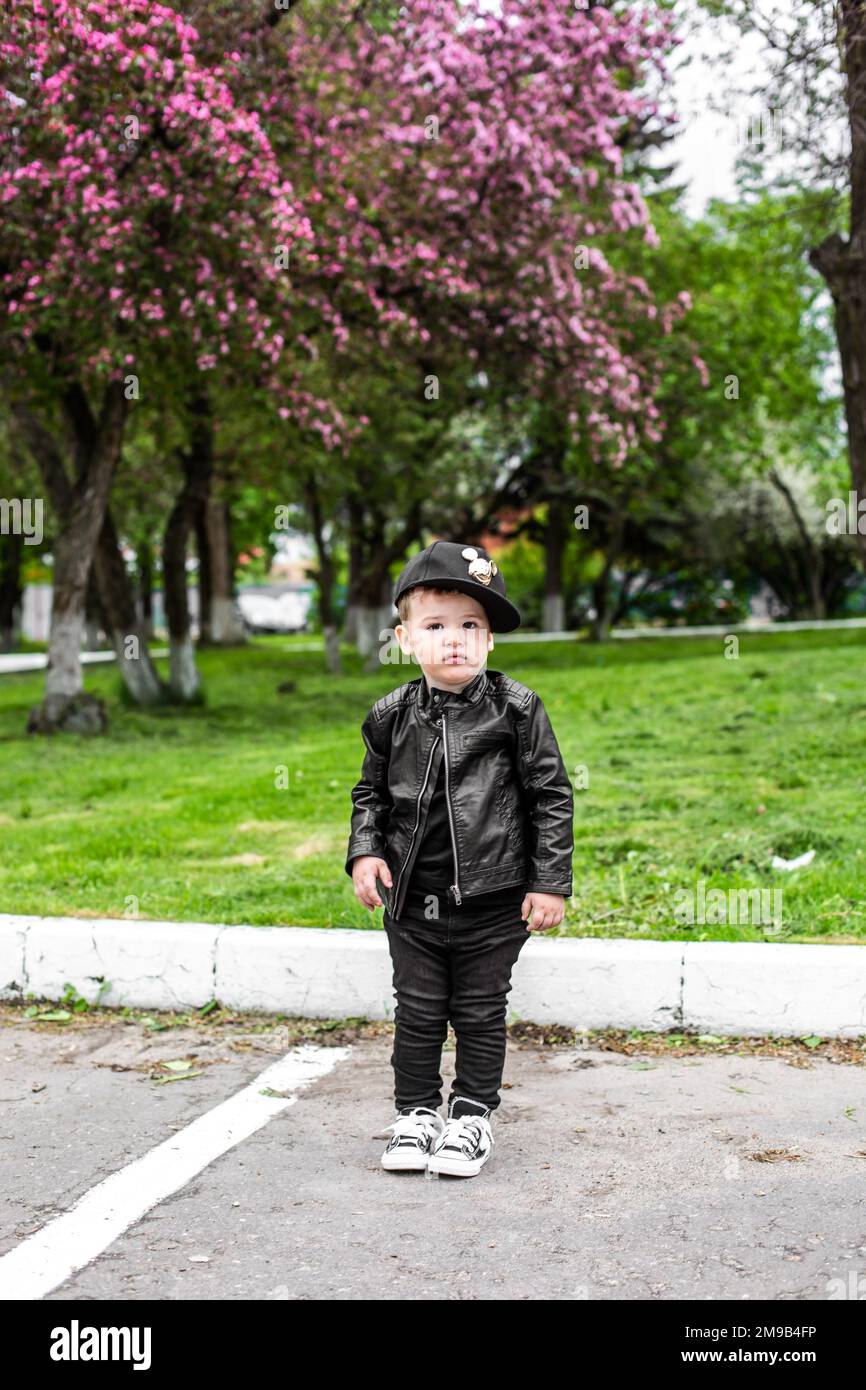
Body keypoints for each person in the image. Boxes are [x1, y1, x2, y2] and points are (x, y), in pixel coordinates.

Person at [345, 539, 574, 1177]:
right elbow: (369, 794)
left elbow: (551, 795)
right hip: (413, 899)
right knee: (417, 1011)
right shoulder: (390, 716)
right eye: (437, 625)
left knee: (479, 1009)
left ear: (491, 640)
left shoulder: (517, 709)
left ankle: (471, 1117)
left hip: (495, 898)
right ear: (405, 638)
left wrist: (549, 881)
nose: (456, 640)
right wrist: (365, 853)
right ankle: (416, 1115)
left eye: (471, 626)